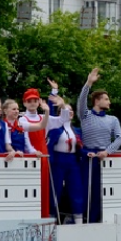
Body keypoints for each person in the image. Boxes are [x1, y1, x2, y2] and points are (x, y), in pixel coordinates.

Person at [77, 67, 121, 224]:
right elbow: (81, 102)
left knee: (99, 191)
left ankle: (96, 220)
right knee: (84, 189)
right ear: (97, 101)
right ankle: (82, 219)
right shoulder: (86, 115)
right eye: (106, 99)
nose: (109, 102)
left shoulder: (113, 119)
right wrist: (88, 83)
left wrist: (108, 151)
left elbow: (119, 138)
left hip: (103, 158)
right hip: (87, 157)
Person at [45, 84, 82, 223]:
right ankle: (52, 218)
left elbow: (82, 147)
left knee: (76, 188)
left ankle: (78, 219)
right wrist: (54, 91)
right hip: (58, 161)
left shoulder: (77, 130)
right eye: (67, 110)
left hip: (72, 161)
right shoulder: (55, 127)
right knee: (55, 189)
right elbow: (50, 111)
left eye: (71, 110)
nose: (70, 112)